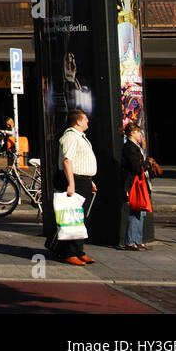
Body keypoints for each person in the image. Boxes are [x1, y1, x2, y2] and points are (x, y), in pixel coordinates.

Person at [55, 110, 98, 266]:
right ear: (78, 121)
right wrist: (71, 183)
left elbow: (81, 160)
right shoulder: (71, 136)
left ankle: (79, 251)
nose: (88, 121)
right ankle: (69, 253)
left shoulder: (80, 137)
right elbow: (67, 161)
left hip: (83, 180)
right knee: (72, 218)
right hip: (75, 180)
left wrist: (90, 180)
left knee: (81, 218)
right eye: (85, 119)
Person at [121, 123, 151, 251]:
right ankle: (130, 241)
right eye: (138, 132)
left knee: (141, 212)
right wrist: (146, 164)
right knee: (135, 211)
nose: (140, 134)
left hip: (139, 182)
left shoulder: (136, 146)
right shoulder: (130, 147)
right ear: (132, 133)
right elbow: (136, 167)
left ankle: (138, 240)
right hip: (133, 183)